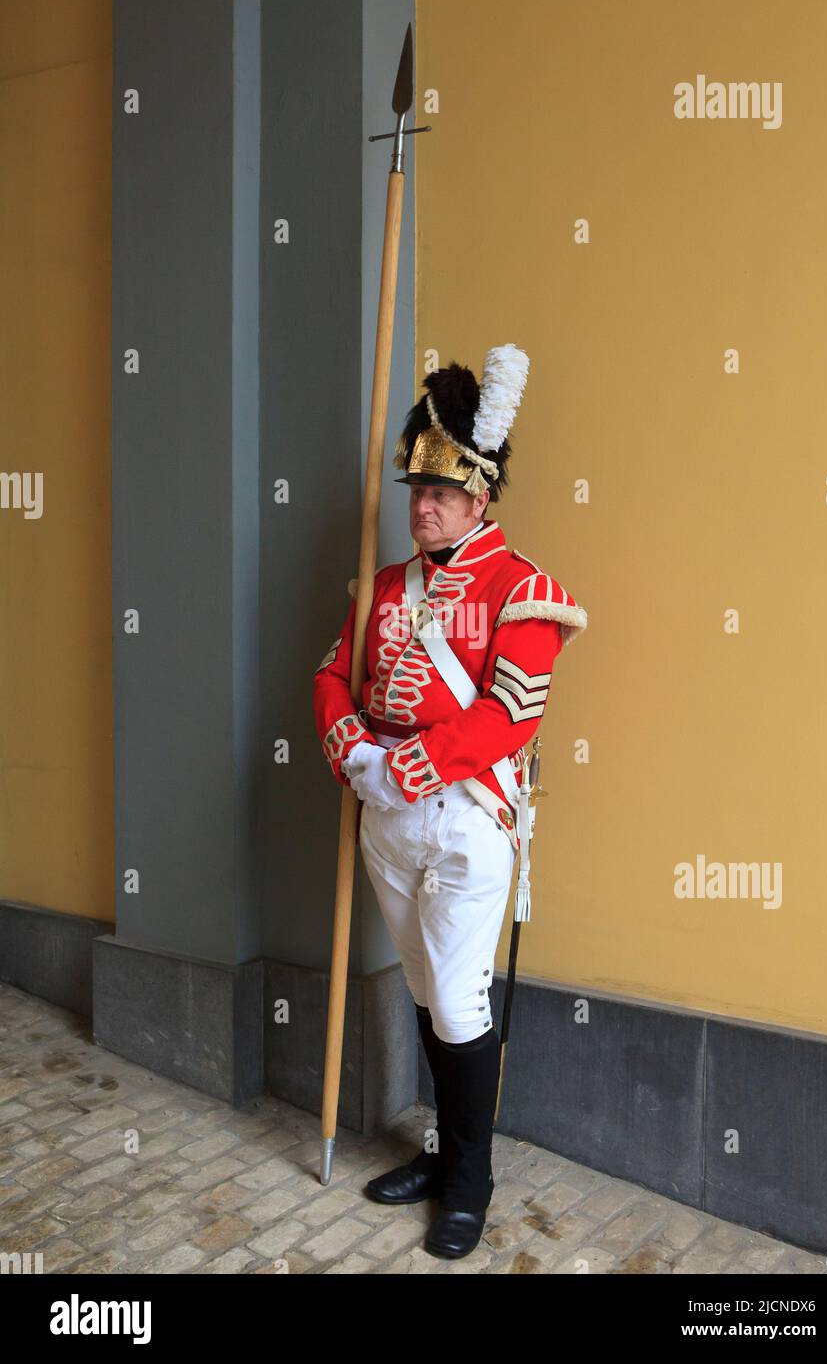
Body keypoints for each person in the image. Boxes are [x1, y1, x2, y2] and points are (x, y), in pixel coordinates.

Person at [312, 344, 587, 1259]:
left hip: (468, 817)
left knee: (462, 1005)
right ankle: (440, 1155)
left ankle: (472, 1179)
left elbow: (509, 714)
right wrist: (354, 748)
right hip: (385, 819)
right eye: (416, 491)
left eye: (441, 493)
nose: (422, 506)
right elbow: (332, 676)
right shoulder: (385, 587)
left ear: (480, 497)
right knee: (427, 993)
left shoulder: (523, 590)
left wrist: (408, 767)